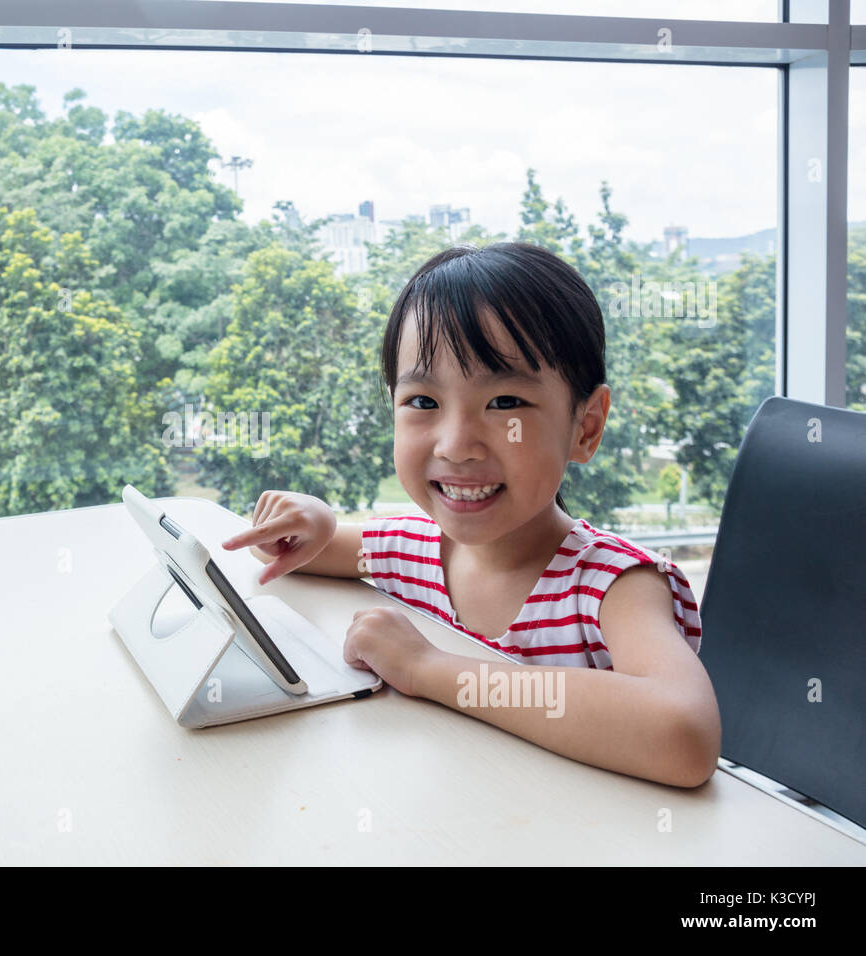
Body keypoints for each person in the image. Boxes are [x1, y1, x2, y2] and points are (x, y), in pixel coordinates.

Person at [221, 241, 721, 788]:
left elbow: (684, 734)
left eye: (505, 403)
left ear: (586, 427)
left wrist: (428, 669)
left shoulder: (612, 587)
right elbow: (321, 548)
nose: (457, 445)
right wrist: (311, 523)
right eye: (423, 402)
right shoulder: (416, 552)